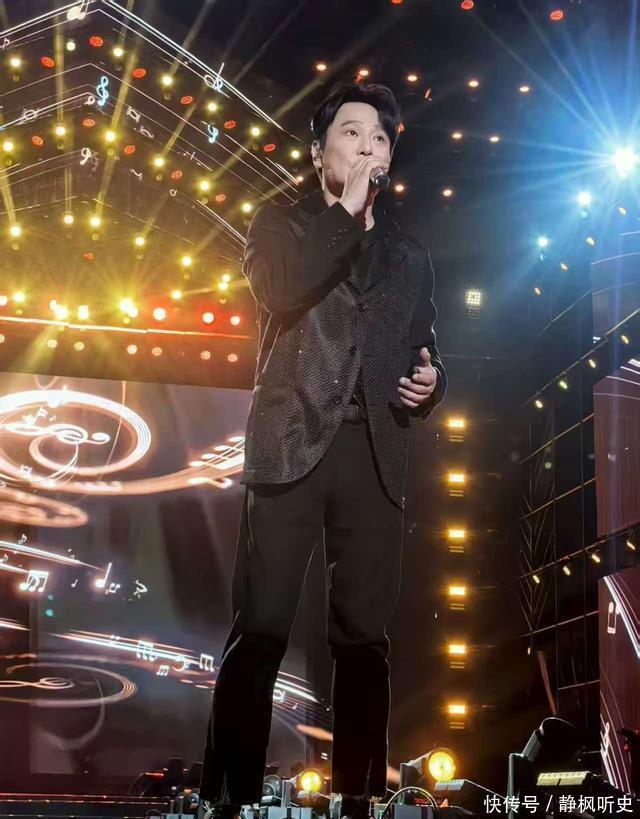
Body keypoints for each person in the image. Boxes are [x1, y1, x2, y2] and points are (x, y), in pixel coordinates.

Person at [199, 81, 447, 819]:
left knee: (364, 638)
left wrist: (432, 382)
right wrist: (345, 214)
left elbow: (424, 342)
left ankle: (360, 797)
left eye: (381, 138)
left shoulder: (409, 252)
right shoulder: (279, 222)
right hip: (291, 442)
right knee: (261, 628)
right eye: (352, 133)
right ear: (318, 152)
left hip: (375, 450)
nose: (369, 146)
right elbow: (280, 292)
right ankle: (230, 798)